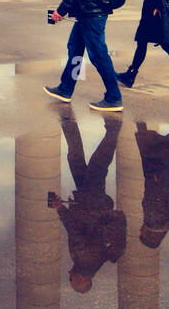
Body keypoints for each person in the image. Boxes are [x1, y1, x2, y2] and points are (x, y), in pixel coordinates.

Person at [48, 115, 126, 291]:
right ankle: (113, 128)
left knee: (75, 158)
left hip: (88, 202)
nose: (69, 275)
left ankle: (68, 121)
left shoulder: (93, 263)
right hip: (92, 202)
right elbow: (75, 231)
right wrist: (60, 209)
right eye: (72, 280)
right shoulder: (85, 261)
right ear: (83, 280)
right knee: (98, 165)